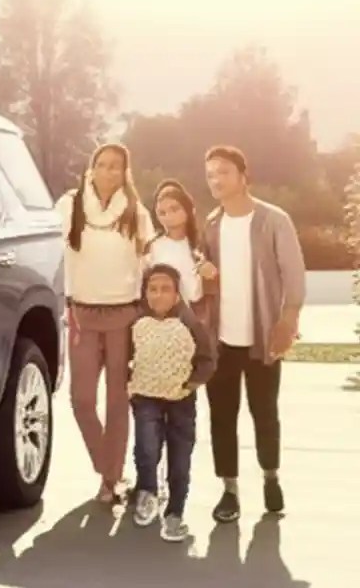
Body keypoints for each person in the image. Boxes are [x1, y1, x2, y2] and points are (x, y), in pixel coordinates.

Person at [200, 145, 306, 523]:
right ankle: (229, 490)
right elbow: (203, 280)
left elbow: (293, 272)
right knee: (221, 417)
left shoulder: (273, 220)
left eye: (223, 172)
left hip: (263, 338)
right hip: (222, 342)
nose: (216, 179)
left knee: (265, 413)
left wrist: (288, 318)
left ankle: (271, 477)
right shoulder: (211, 225)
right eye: (210, 173)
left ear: (243, 175)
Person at [57, 143, 158, 503]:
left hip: (123, 315)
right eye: (103, 165)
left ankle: (109, 483)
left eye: (116, 166)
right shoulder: (70, 205)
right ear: (92, 168)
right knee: (81, 399)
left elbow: (152, 261)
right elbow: (49, 249)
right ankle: (108, 468)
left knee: (118, 401)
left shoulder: (135, 211)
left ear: (124, 172)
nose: (109, 171)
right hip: (82, 314)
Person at [127, 263, 217, 541]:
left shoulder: (189, 324)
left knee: (179, 456)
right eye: (152, 289)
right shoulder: (138, 325)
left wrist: (191, 383)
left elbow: (207, 358)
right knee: (147, 448)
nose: (158, 295)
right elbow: (126, 358)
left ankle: (175, 512)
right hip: (145, 399)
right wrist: (130, 381)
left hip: (180, 400)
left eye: (166, 289)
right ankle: (147, 494)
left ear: (177, 294)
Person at [147, 179, 219, 330]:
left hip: (198, 316)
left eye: (175, 209)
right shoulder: (154, 246)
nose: (169, 216)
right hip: (164, 317)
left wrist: (210, 273)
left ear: (187, 209)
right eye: (162, 212)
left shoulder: (202, 242)